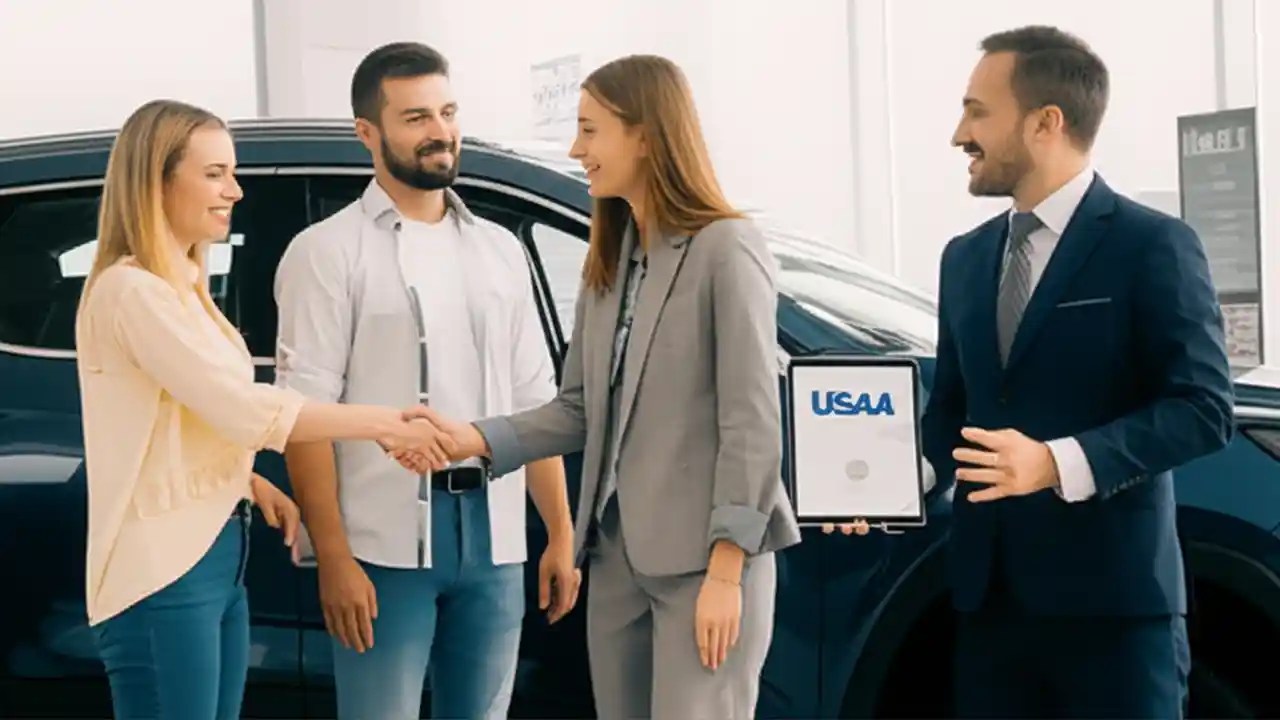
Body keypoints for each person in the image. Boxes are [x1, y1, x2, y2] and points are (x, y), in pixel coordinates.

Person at [416, 54, 802, 720]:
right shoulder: (611, 262)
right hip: (620, 562)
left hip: (704, 566)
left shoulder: (726, 248)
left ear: (646, 134)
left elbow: (752, 420)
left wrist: (726, 570)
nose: (577, 149)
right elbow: (580, 410)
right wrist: (475, 438)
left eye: (591, 130)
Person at [75, 99, 456, 720]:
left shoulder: (182, 290)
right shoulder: (131, 291)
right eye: (215, 173)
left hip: (216, 553)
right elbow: (242, 409)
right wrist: (385, 422)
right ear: (157, 180)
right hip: (164, 571)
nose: (235, 189)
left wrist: (246, 481)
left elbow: (179, 419)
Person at [918, 26, 1233, 718]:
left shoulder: (1152, 244)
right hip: (988, 609)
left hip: (1114, 614)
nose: (957, 135)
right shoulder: (963, 259)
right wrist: (887, 489)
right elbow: (950, 411)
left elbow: (1204, 408)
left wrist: (1056, 464)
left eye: (976, 111)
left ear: (1045, 123)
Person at [272, 42, 579, 720]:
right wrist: (334, 559)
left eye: (446, 111)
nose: (439, 131)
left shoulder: (500, 249)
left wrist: (558, 532)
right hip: (380, 543)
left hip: (496, 541)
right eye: (414, 117)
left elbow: (534, 402)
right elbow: (303, 417)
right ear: (368, 133)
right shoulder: (326, 251)